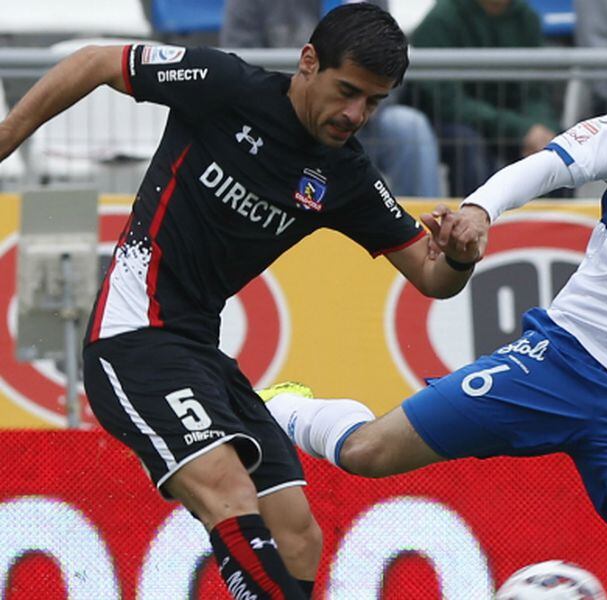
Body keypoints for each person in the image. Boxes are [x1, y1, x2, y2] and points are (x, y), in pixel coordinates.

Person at [261, 18, 607, 599]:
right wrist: (479, 210)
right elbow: (552, 164)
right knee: (367, 452)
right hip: (561, 363)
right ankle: (285, 410)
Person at [0, 5, 479, 599]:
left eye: (373, 103)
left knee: (298, 535)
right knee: (229, 491)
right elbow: (97, 63)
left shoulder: (346, 175)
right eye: (347, 91)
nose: (355, 115)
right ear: (308, 62)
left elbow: (434, 280)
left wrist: (459, 252)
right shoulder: (226, 86)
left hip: (201, 352)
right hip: (133, 335)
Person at [221, 0, 443, 198]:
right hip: (279, 120)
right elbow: (242, 67)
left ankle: (419, 225)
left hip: (363, 130)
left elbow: (387, 68)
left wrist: (360, 108)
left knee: (410, 127)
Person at [408, 0, 560, 197]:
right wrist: (520, 129)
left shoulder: (527, 16)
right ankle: (471, 223)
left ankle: (557, 224)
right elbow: (448, 102)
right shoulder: (441, 19)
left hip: (509, 122)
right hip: (452, 122)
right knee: (467, 145)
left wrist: (542, 128)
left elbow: (536, 92)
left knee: (558, 147)